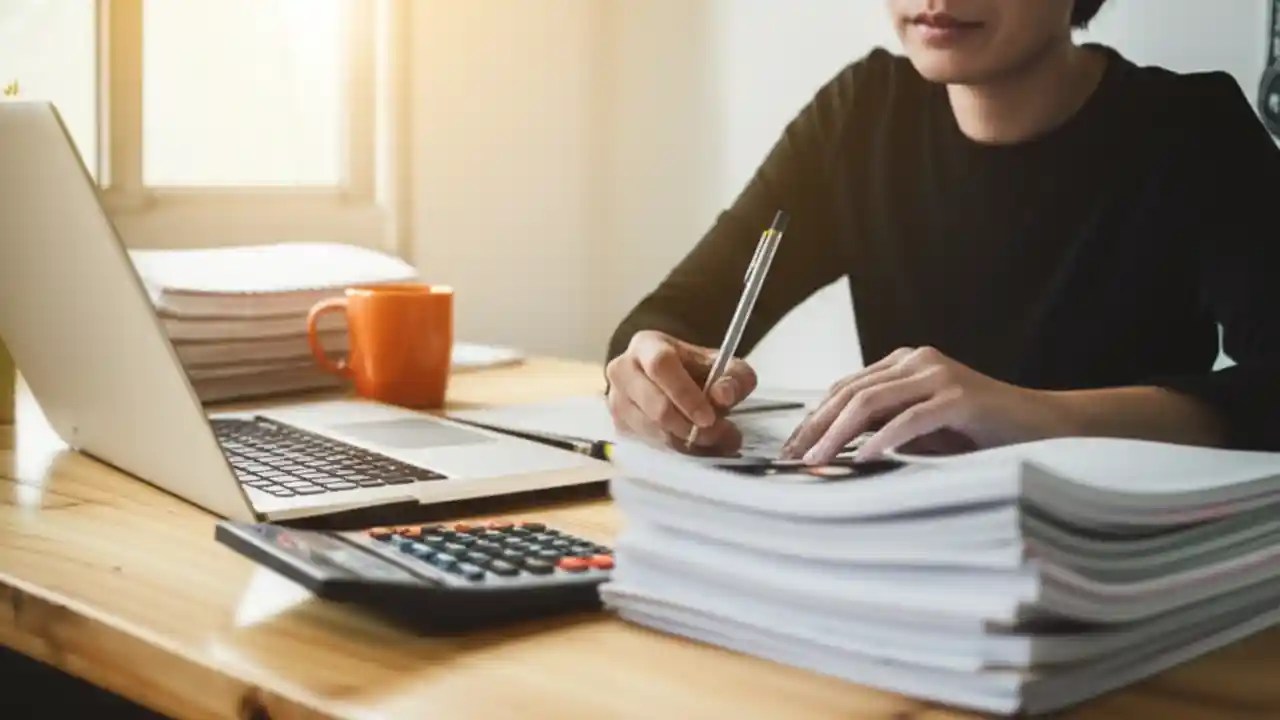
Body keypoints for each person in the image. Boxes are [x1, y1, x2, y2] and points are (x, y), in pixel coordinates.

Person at [604, 0, 1280, 464]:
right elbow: (672, 315)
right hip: (903, 555)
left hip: (1119, 570)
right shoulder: (862, 114)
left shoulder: (1193, 131)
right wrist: (654, 373)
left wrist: (1036, 414)